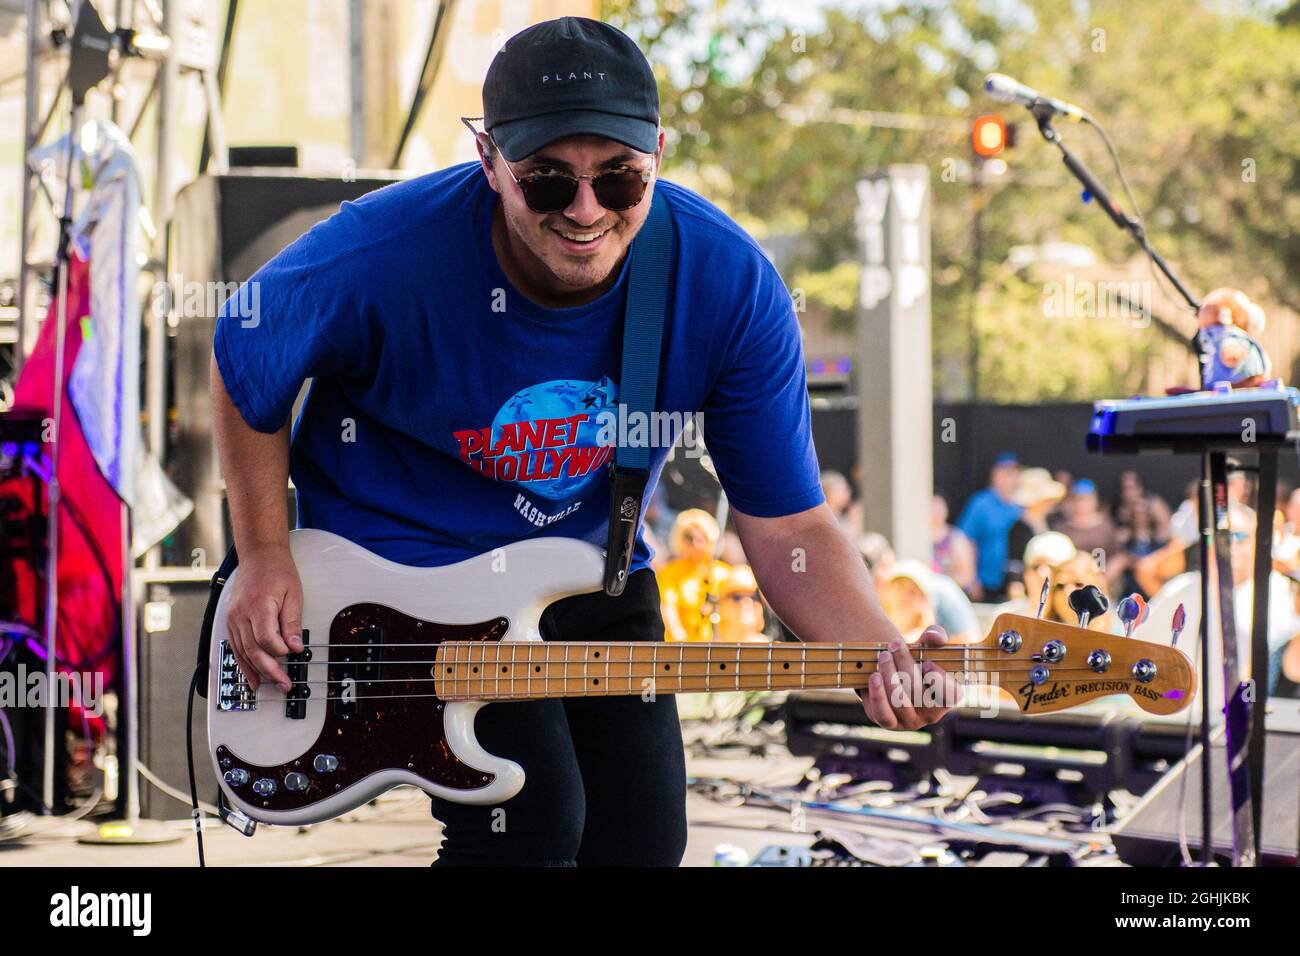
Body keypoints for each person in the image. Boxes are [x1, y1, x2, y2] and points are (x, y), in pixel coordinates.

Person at [210, 17, 957, 867]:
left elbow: (788, 528)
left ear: (659, 156)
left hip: (590, 561)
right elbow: (244, 351)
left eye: (621, 179)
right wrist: (263, 553)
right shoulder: (386, 250)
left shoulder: (726, 285)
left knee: (643, 839)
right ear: (489, 159)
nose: (588, 211)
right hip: (398, 583)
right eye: (549, 182)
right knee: (535, 824)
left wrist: (878, 654)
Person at [956, 452, 1023, 601]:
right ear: (994, 475)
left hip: (1014, 584)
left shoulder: (1022, 505)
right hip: (985, 583)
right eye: (1006, 473)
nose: (1010, 479)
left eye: (1013, 473)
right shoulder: (981, 504)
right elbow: (965, 540)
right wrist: (971, 579)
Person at [657, 509, 730, 643]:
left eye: (702, 537)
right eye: (690, 538)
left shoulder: (722, 573)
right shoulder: (671, 572)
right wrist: (681, 641)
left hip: (717, 647)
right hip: (682, 648)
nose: (696, 544)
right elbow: (668, 610)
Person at [1002, 467, 1066, 595]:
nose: (1050, 503)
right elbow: (1014, 562)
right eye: (1046, 500)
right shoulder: (1018, 528)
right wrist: (1016, 585)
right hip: (1031, 589)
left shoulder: (1052, 521)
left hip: (1055, 588)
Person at [1054, 478, 1125, 587]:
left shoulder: (1106, 525)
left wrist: (1102, 582)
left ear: (1095, 500)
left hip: (1104, 583)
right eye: (1078, 499)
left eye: (1086, 499)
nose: (1082, 503)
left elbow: (1118, 558)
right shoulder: (1062, 528)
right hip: (1072, 585)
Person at [932, 494, 976, 595]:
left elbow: (966, 576)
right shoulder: (918, 538)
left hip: (951, 594)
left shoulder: (956, 538)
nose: (935, 513)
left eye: (938, 509)